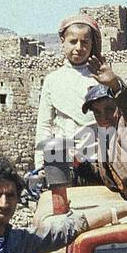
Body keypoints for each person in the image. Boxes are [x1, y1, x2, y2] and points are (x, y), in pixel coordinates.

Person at [76, 52, 127, 202]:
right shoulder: (105, 140)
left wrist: (115, 86)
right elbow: (108, 174)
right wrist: (79, 164)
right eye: (97, 113)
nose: (103, 117)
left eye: (109, 110)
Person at [33, 13, 103, 170]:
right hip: (62, 162)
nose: (79, 48)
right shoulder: (53, 80)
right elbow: (44, 126)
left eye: (84, 42)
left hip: (98, 161)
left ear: (92, 44)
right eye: (73, 42)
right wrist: (40, 166)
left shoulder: (101, 77)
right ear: (63, 42)